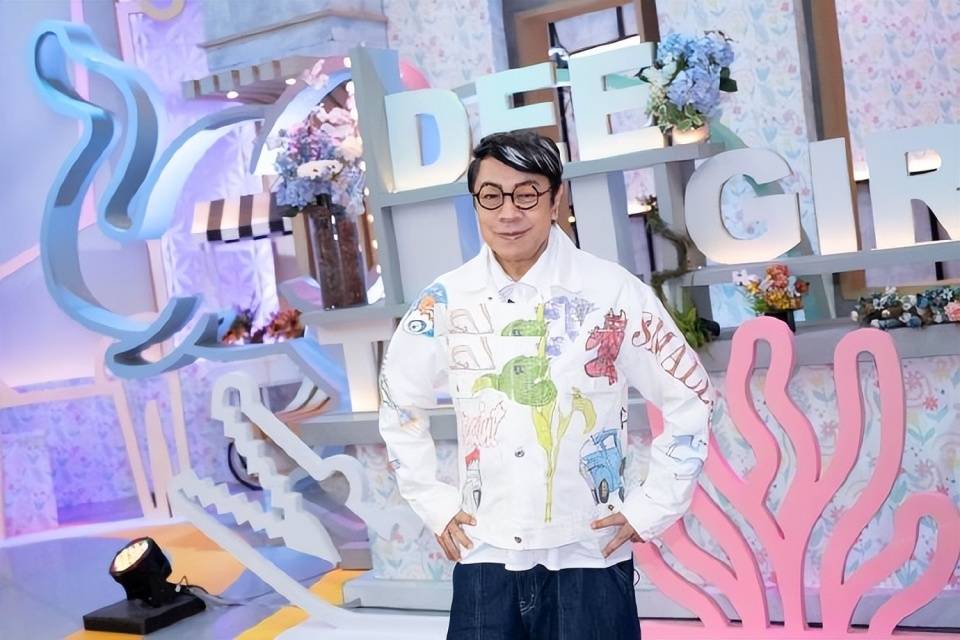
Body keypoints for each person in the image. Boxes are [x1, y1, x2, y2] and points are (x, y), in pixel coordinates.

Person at [378, 130, 714, 639]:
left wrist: (652, 507)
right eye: (491, 196)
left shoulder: (612, 292)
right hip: (485, 553)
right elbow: (398, 402)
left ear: (556, 198)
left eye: (527, 194)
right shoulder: (446, 300)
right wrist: (435, 504)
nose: (508, 213)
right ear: (475, 203)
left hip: (589, 554)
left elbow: (690, 394)